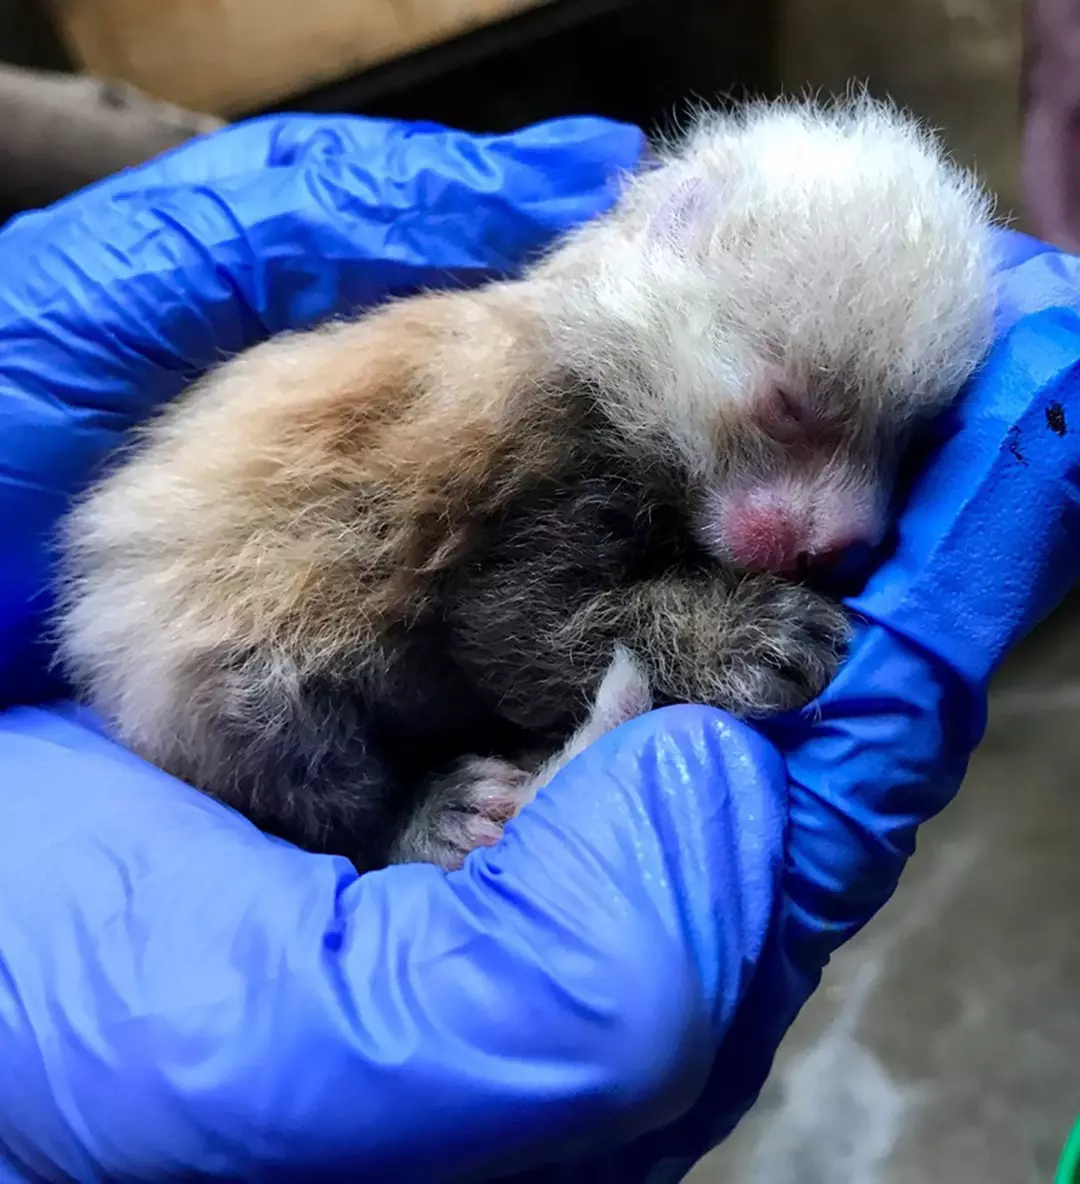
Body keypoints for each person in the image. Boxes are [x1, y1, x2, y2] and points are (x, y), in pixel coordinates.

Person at [0, 110, 1078, 1184]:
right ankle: (396, 822)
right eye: (792, 412)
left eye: (887, 442)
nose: (852, 520)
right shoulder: (542, 389)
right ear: (665, 240)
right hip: (248, 644)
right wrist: (689, 631)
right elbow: (513, 627)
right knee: (282, 731)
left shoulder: (699, 375)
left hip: (416, 667)